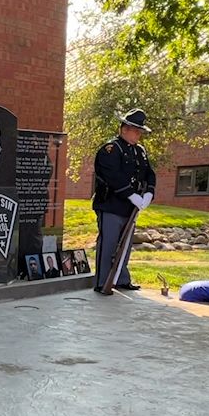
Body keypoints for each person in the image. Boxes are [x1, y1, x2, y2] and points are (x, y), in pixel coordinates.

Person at [92, 108, 156, 295]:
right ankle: (103, 281)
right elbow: (113, 176)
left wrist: (149, 192)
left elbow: (149, 174)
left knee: (126, 244)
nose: (138, 135)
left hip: (130, 207)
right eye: (136, 131)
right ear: (125, 129)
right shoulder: (111, 149)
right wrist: (131, 195)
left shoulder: (139, 151)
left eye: (140, 132)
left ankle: (121, 279)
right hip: (111, 204)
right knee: (109, 244)